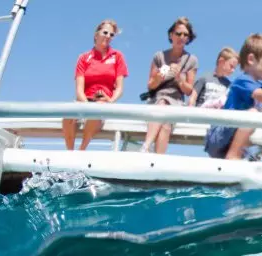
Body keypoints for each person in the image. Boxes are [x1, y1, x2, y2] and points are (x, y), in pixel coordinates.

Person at [61, 19, 128, 151]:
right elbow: (79, 90)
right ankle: (70, 152)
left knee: (97, 109)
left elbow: (120, 88)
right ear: (96, 34)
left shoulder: (118, 56)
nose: (108, 36)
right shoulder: (84, 57)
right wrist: (86, 106)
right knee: (68, 114)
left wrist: (110, 101)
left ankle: (82, 150)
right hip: (84, 101)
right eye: (105, 32)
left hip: (104, 102)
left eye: (112, 35)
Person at [140, 17, 199, 154]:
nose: (182, 37)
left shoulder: (191, 60)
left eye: (185, 35)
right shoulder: (159, 56)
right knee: (163, 107)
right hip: (157, 99)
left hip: (176, 101)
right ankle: (150, 151)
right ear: (171, 35)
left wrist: (179, 79)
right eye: (178, 33)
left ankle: (147, 149)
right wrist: (160, 75)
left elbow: (189, 90)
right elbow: (150, 85)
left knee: (166, 120)